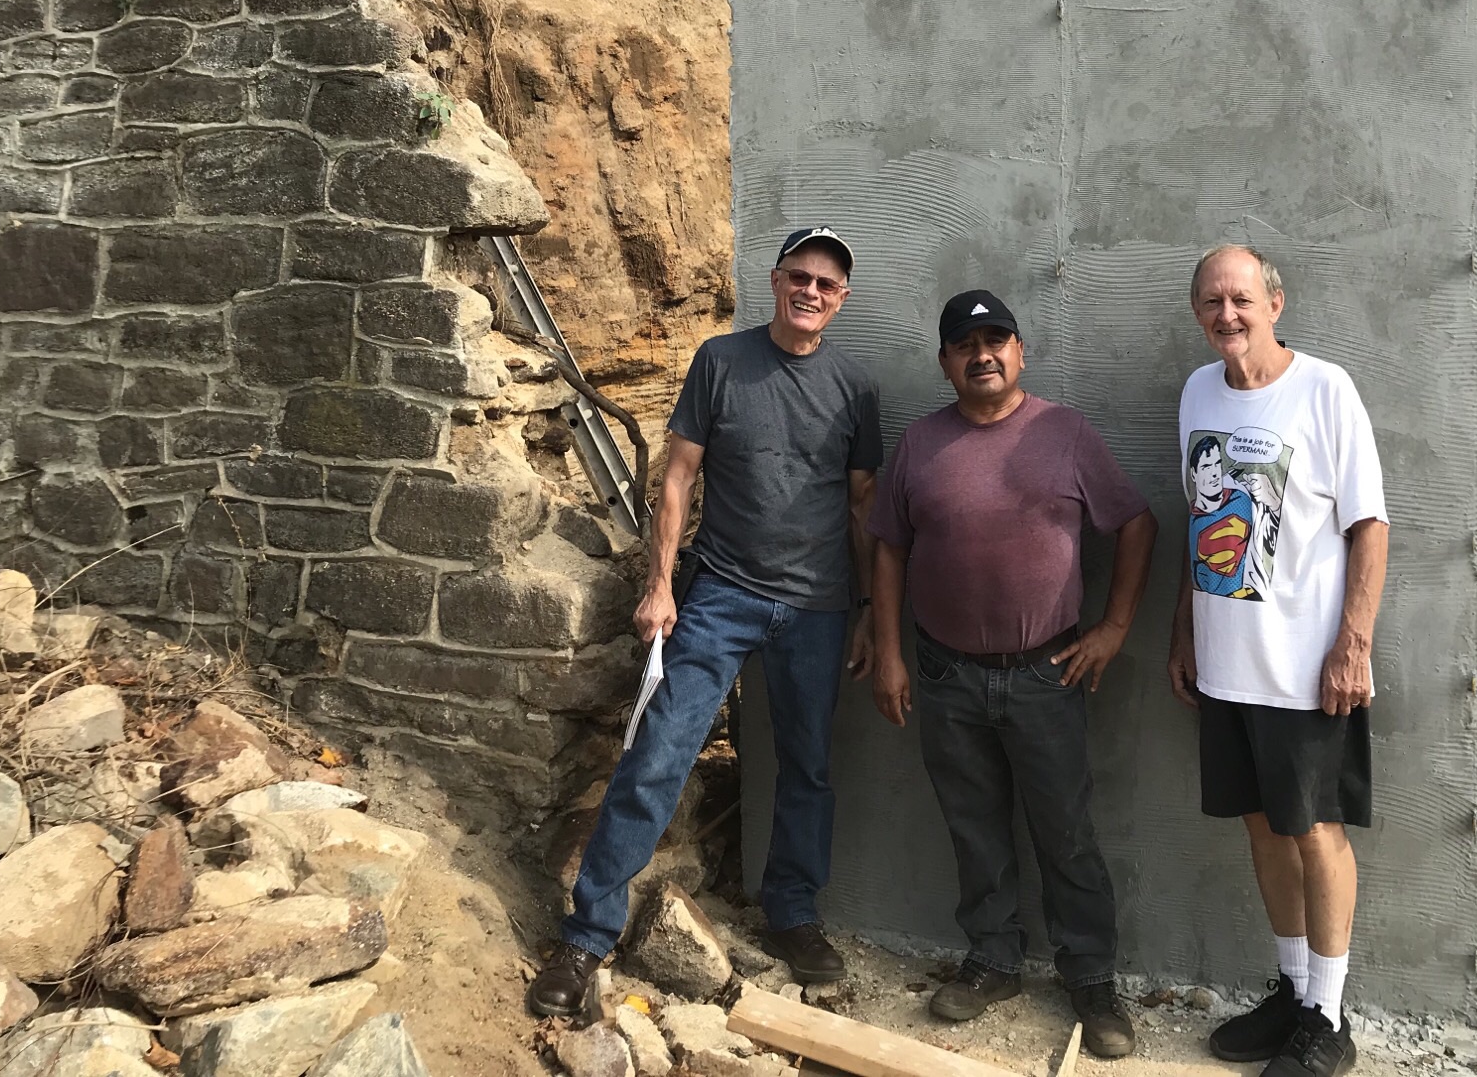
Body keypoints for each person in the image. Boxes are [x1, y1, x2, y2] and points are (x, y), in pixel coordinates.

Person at [527, 226, 882, 1025]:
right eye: (800, 276)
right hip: (720, 594)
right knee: (658, 751)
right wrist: (661, 587)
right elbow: (678, 476)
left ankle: (791, 913)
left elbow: (863, 508)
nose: (811, 292)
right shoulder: (722, 361)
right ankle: (587, 936)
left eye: (827, 284)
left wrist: (865, 615)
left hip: (819, 609)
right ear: (775, 279)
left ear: (842, 299)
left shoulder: (856, 387)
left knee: (808, 766)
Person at [868, 289, 1158, 1061]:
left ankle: (1091, 979)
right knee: (972, 824)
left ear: (1020, 352)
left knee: (1065, 831)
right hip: (945, 672)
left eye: (997, 339)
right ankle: (993, 959)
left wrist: (1114, 629)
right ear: (945, 362)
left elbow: (1135, 522)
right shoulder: (920, 445)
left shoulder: (1064, 434)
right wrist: (889, 651)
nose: (983, 353)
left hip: (1045, 675)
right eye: (966, 344)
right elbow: (889, 546)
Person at [1169, 246, 1389, 1077]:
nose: (1228, 314)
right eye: (1212, 301)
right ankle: (1296, 993)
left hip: (1305, 671)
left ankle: (1330, 1019)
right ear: (1197, 312)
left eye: (1242, 298)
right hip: (1227, 665)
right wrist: (1183, 633)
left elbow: (1370, 525)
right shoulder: (1196, 392)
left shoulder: (1324, 390)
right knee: (1263, 830)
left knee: (1316, 833)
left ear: (1275, 302)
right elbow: (1199, 519)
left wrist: (1352, 645)